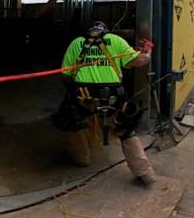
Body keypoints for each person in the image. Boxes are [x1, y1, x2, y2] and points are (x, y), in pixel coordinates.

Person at [51, 21, 156, 186]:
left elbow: (65, 75)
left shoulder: (76, 43)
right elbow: (140, 61)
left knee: (72, 122)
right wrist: (148, 52)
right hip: (113, 97)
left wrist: (73, 93)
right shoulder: (115, 40)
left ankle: (82, 159)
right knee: (125, 130)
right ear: (106, 31)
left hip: (83, 96)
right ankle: (145, 174)